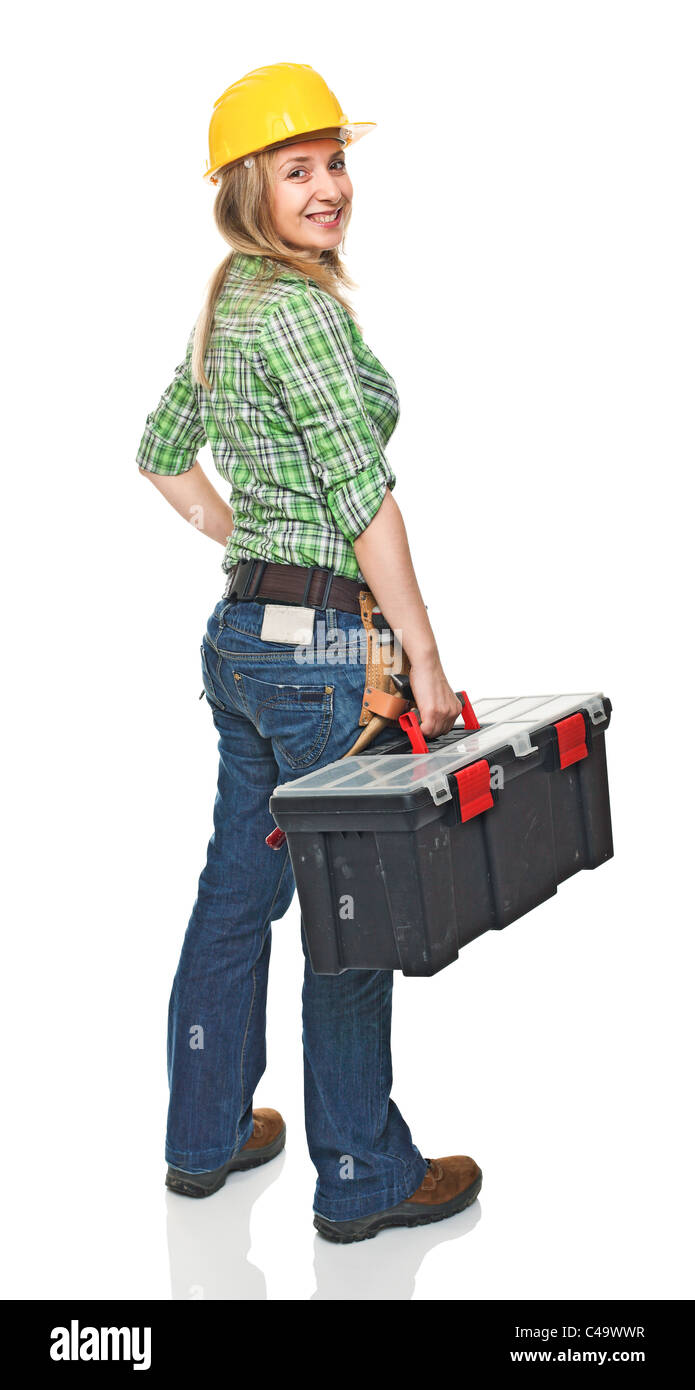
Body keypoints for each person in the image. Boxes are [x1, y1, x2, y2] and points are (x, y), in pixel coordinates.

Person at [136, 63, 482, 1244]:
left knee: (239, 891)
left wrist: (253, 549)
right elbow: (365, 497)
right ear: (248, 188)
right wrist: (425, 665)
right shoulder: (299, 309)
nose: (329, 185)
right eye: (298, 169)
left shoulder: (228, 301)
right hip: (327, 654)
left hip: (245, 642)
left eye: (335, 161)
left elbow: (162, 451)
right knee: (353, 917)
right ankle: (359, 1171)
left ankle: (202, 1134)